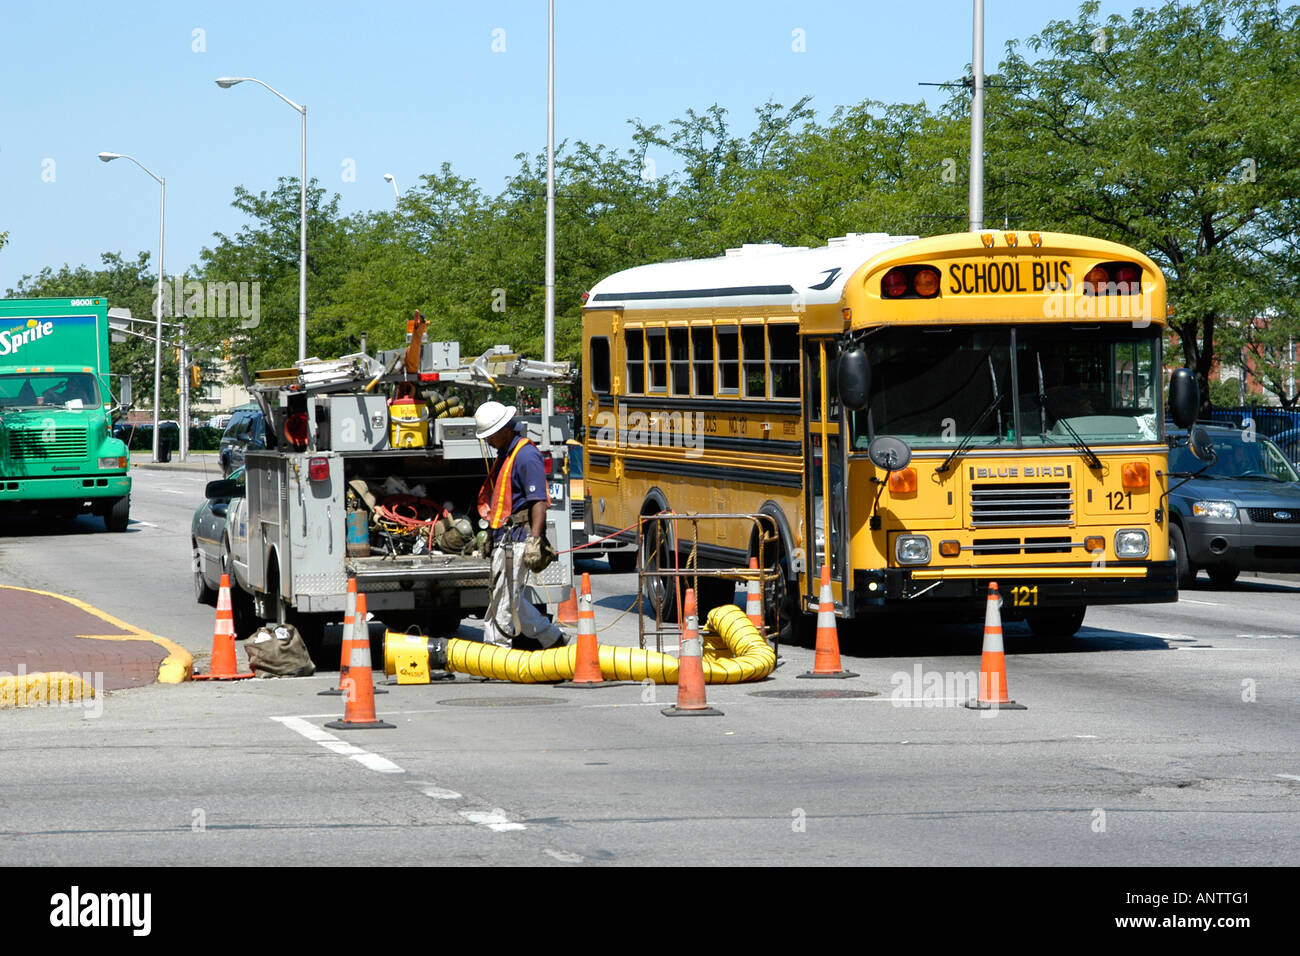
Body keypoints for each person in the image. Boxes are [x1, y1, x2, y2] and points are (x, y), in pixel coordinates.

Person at [475, 400, 567, 650]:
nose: (488, 441)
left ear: (505, 429)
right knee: (509, 598)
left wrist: (534, 541)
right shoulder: (506, 454)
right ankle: (552, 638)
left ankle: (496, 649)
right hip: (506, 538)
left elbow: (539, 502)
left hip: (518, 539)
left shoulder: (526, 455)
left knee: (503, 598)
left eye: (490, 436)